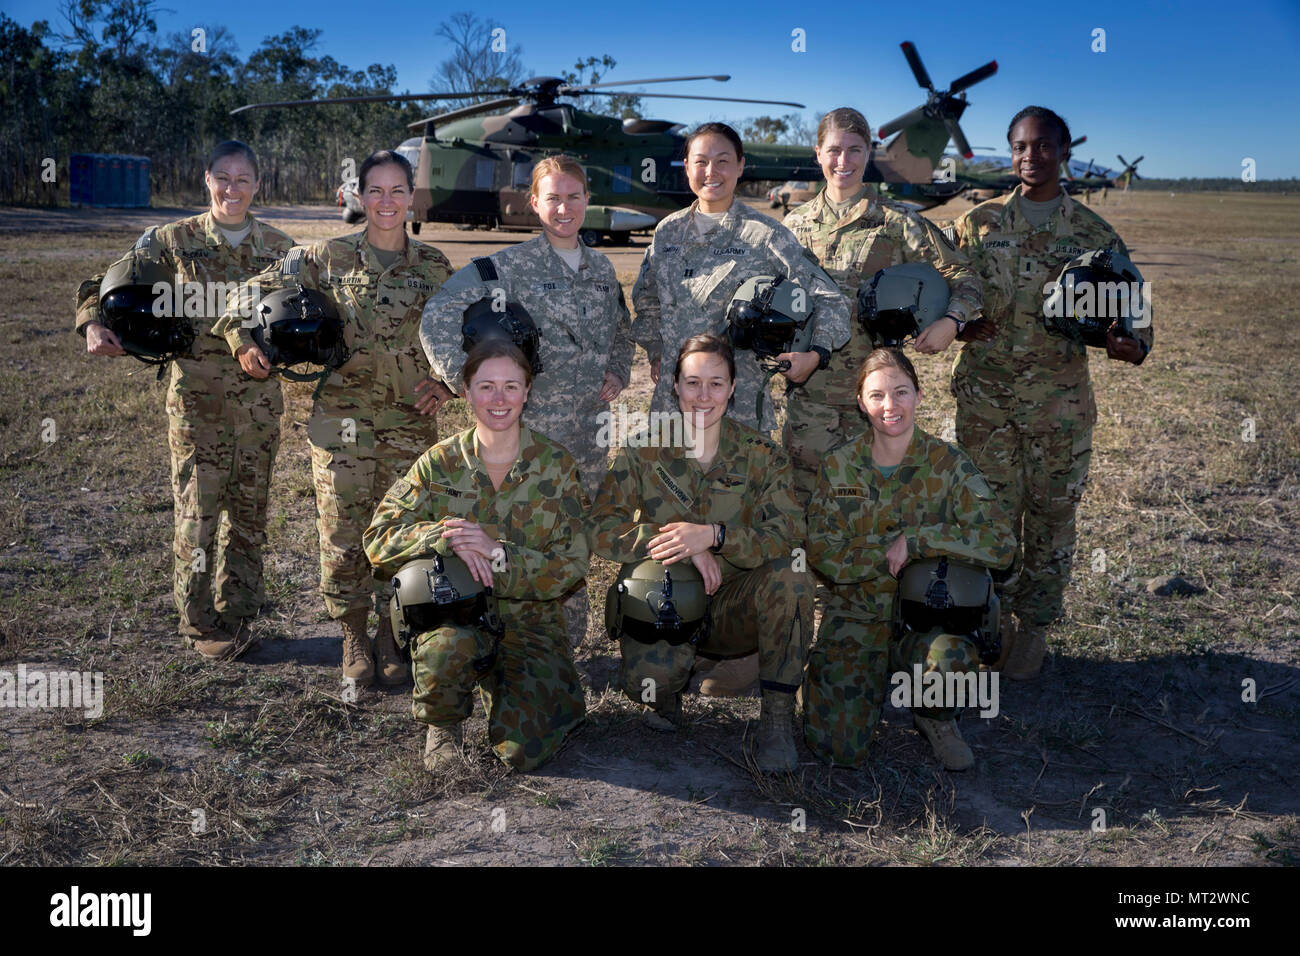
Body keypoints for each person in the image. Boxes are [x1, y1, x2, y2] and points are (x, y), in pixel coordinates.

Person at [216, 150, 453, 688]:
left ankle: (393, 636)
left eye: (398, 191)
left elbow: (468, 330)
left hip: (409, 425)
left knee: (406, 534)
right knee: (343, 537)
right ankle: (352, 635)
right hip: (340, 423)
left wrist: (449, 382)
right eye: (376, 191)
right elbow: (245, 291)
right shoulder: (328, 255)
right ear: (359, 196)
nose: (387, 202)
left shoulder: (435, 266)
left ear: (410, 198)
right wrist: (240, 340)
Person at [950, 106, 1153, 680]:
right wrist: (961, 323)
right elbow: (948, 289)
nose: (1029, 157)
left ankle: (1034, 626)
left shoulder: (1093, 233)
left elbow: (1136, 321)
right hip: (986, 401)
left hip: (1058, 408)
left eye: (1042, 146)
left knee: (1051, 517)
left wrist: (1128, 346)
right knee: (988, 516)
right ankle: (994, 618)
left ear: (1064, 150)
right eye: (1019, 147)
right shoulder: (978, 223)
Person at [75, 140, 294, 661]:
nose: (232, 189)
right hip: (197, 401)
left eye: (243, 180)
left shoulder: (282, 248)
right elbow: (102, 283)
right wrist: (92, 323)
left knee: (250, 513)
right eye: (223, 178)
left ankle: (238, 612)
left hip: (259, 404)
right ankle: (199, 623)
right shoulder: (173, 241)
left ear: (258, 185)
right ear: (206, 179)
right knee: (198, 513)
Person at [420, 155, 634, 649]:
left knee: (572, 540)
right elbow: (439, 310)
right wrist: (465, 379)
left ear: (587, 201)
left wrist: (618, 369)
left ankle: (566, 648)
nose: (564, 208)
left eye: (574, 196)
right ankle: (509, 641)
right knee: (520, 537)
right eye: (553, 198)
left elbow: (622, 329)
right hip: (530, 438)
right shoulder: (508, 267)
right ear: (534, 203)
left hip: (589, 437)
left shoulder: (602, 268)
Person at [588, 334, 812, 772]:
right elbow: (599, 528)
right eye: (692, 383)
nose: (703, 395)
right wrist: (679, 543)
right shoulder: (643, 450)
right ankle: (669, 684)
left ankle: (777, 721)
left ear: (732, 388)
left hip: (734, 607)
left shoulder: (763, 456)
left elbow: (788, 533)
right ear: (674, 386)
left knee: (794, 574)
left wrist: (716, 535)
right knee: (650, 684)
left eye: (715, 383)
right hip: (667, 606)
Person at [363, 340, 588, 772]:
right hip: (454, 611)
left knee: (524, 753)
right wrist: (446, 536)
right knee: (446, 645)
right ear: (465, 393)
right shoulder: (439, 463)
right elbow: (378, 539)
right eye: (486, 387)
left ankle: (527, 692)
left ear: (527, 392)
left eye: (510, 386)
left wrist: (498, 554)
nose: (498, 399)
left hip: (529, 620)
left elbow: (572, 566)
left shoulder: (556, 465)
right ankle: (444, 724)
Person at [804, 348, 1015, 770]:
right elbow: (824, 553)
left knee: (951, 658)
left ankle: (935, 716)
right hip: (857, 616)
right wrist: (885, 555)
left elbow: (1001, 544)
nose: (890, 406)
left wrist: (919, 540)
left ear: (919, 396)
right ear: (860, 402)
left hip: (930, 619)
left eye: (901, 392)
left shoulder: (949, 465)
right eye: (878, 395)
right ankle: (830, 678)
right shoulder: (839, 465)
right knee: (839, 751)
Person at [781, 107, 983, 504]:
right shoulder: (793, 225)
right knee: (806, 501)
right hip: (809, 396)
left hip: (874, 399)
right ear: (818, 153)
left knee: (873, 502)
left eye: (855, 150)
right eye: (835, 150)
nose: (844, 161)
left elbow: (964, 276)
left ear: (869, 153)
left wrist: (951, 322)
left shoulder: (896, 222)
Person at [630, 122, 850, 436]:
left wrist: (816, 353)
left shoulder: (765, 235)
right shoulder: (668, 231)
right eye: (701, 162)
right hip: (673, 404)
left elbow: (829, 297)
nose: (711, 171)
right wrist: (655, 349)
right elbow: (647, 299)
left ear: (740, 165)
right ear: (687, 167)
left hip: (740, 408)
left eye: (722, 161)